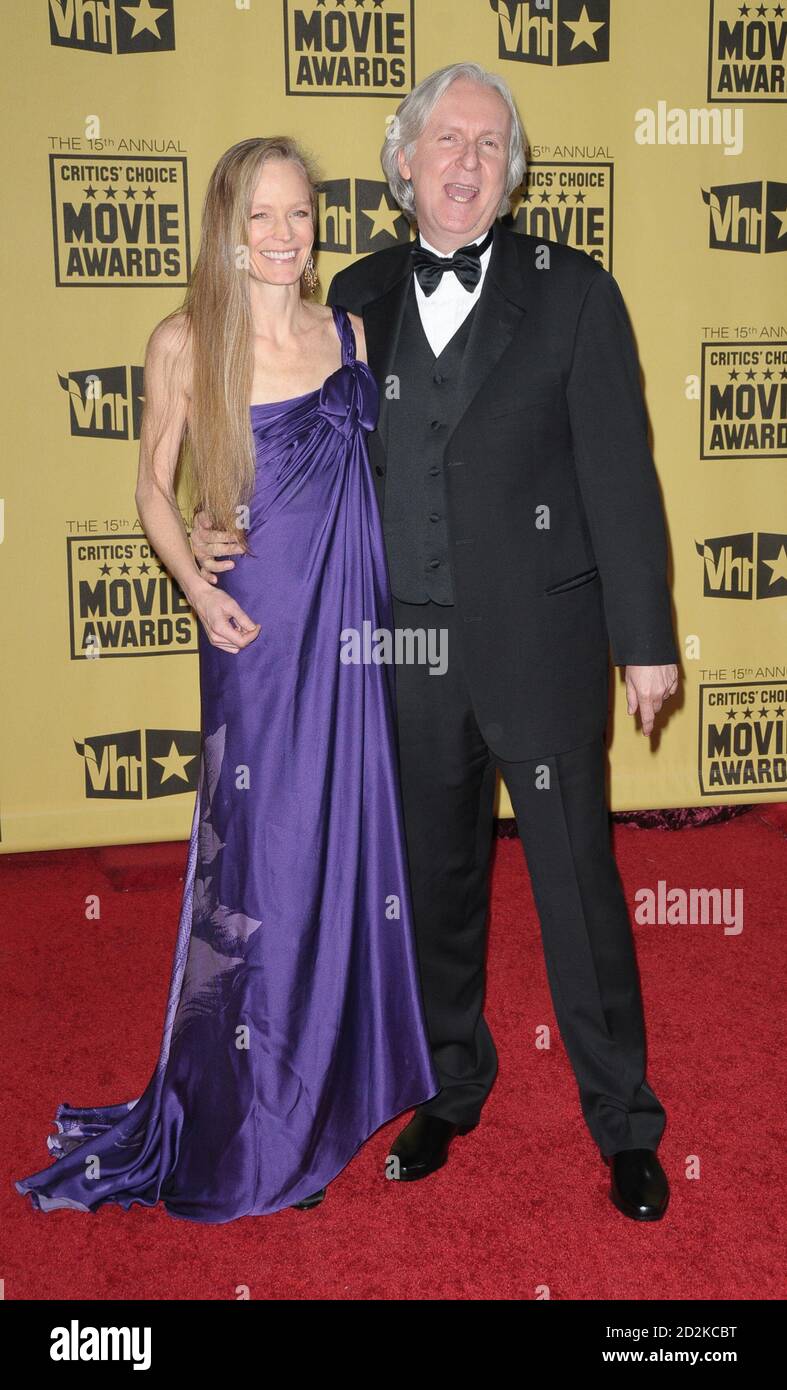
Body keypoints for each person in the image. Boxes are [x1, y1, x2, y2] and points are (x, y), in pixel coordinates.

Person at [190, 66, 681, 1223]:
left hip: (544, 647)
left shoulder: (572, 292)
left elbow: (619, 473)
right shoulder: (349, 299)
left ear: (508, 175)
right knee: (433, 889)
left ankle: (625, 1121)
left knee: (575, 886)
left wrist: (646, 639)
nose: (464, 161)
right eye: (444, 140)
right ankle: (451, 1082)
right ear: (403, 162)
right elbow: (292, 455)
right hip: (398, 655)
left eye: (487, 146)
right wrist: (221, 524)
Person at [15, 136, 438, 1223]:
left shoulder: (346, 329)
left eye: (299, 214)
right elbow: (153, 487)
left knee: (342, 852)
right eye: (263, 216)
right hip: (251, 632)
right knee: (260, 866)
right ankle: (250, 1113)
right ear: (226, 226)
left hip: (348, 633)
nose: (285, 236)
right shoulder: (185, 340)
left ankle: (324, 1097)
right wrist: (198, 593)